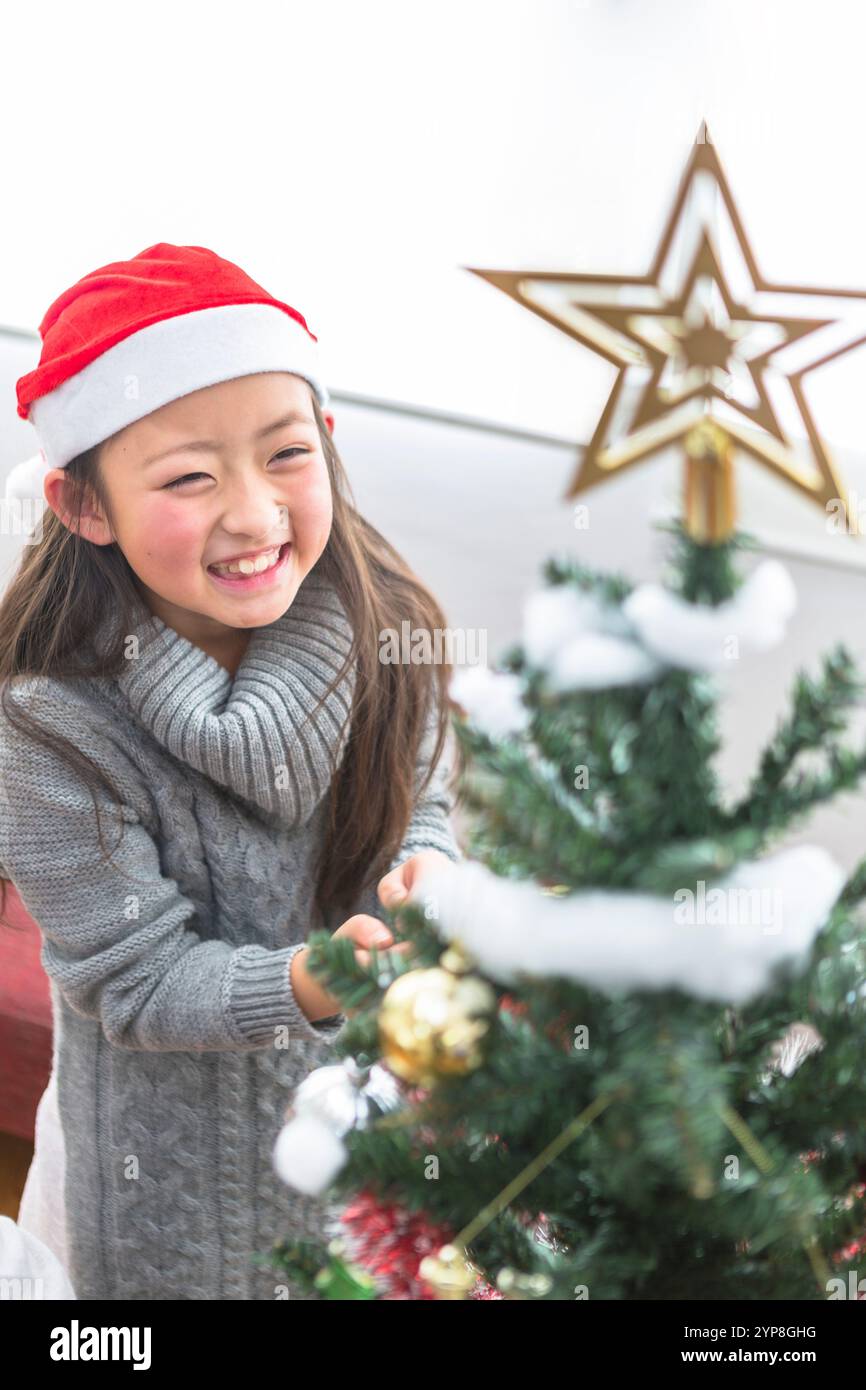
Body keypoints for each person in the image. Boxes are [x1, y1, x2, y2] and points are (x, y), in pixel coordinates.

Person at [0, 243, 463, 1300]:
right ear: (85, 507)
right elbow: (133, 978)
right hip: (157, 1164)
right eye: (189, 477)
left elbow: (422, 795)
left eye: (285, 455)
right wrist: (312, 978)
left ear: (327, 444)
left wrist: (423, 865)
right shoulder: (51, 718)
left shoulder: (383, 622)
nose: (253, 514)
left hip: (365, 1118)